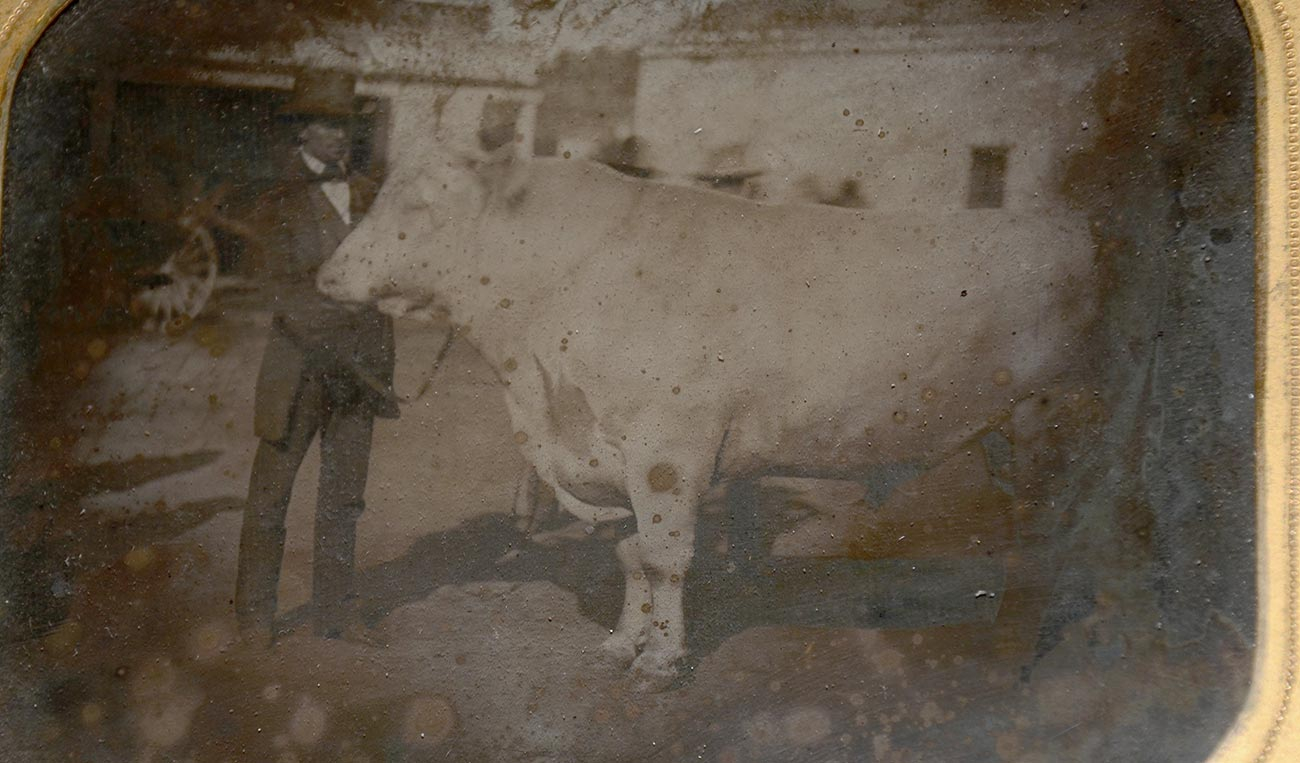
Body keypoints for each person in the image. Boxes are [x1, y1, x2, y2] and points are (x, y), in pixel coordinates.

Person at [234, 71, 397, 646]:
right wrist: (333, 331)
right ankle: (255, 618)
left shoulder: (371, 196)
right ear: (301, 130)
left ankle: (336, 613)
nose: (340, 135)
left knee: (344, 499)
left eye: (346, 125)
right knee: (270, 497)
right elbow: (277, 288)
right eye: (328, 124)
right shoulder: (275, 201)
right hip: (299, 370)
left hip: (361, 373)